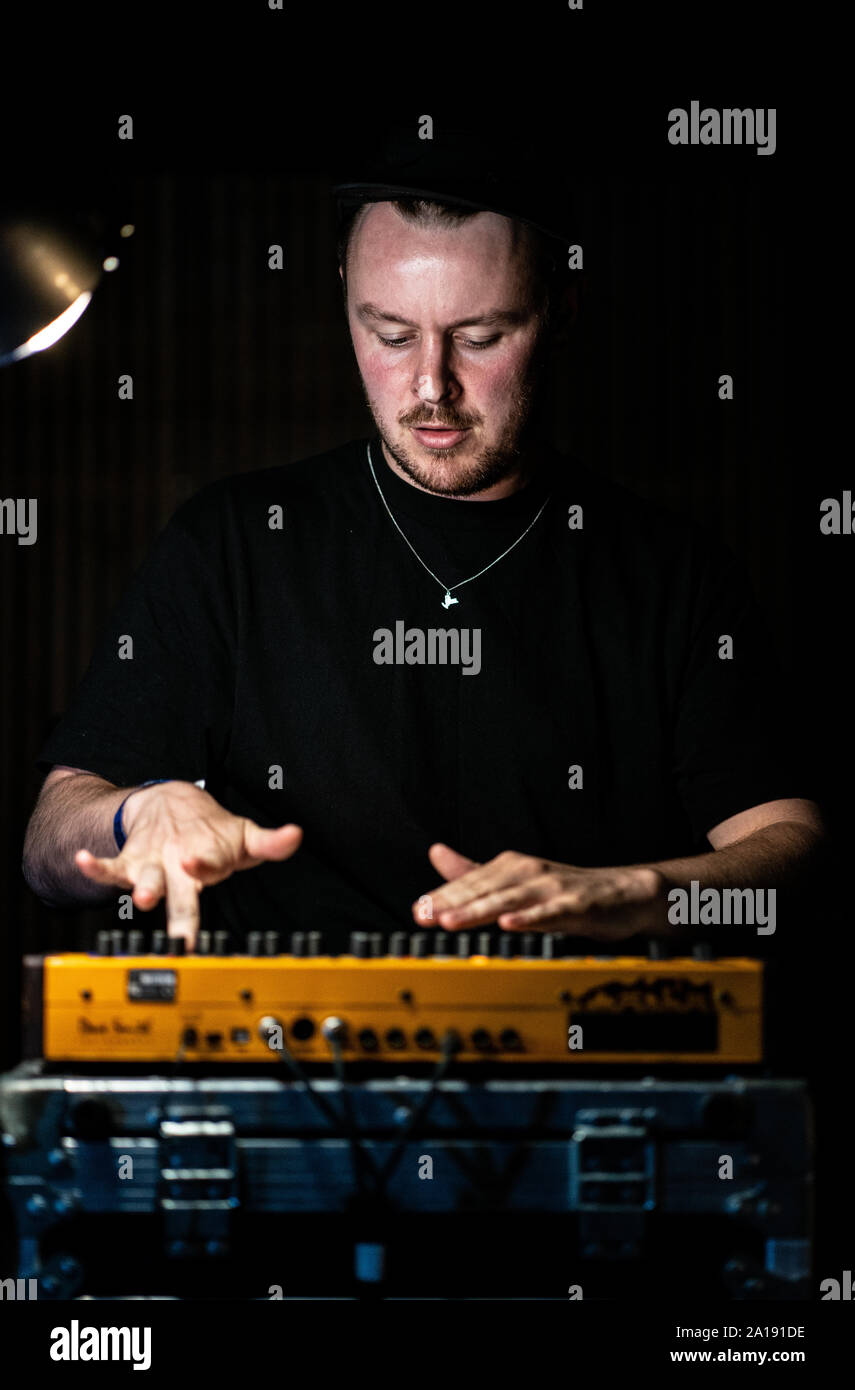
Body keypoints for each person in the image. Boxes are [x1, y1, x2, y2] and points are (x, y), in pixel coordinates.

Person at [21, 140, 823, 953]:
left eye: (479, 337)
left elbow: (796, 865)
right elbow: (48, 845)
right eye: (391, 333)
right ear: (346, 302)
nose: (431, 384)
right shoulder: (230, 541)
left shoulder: (672, 575)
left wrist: (641, 893)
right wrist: (132, 815)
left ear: (560, 311)